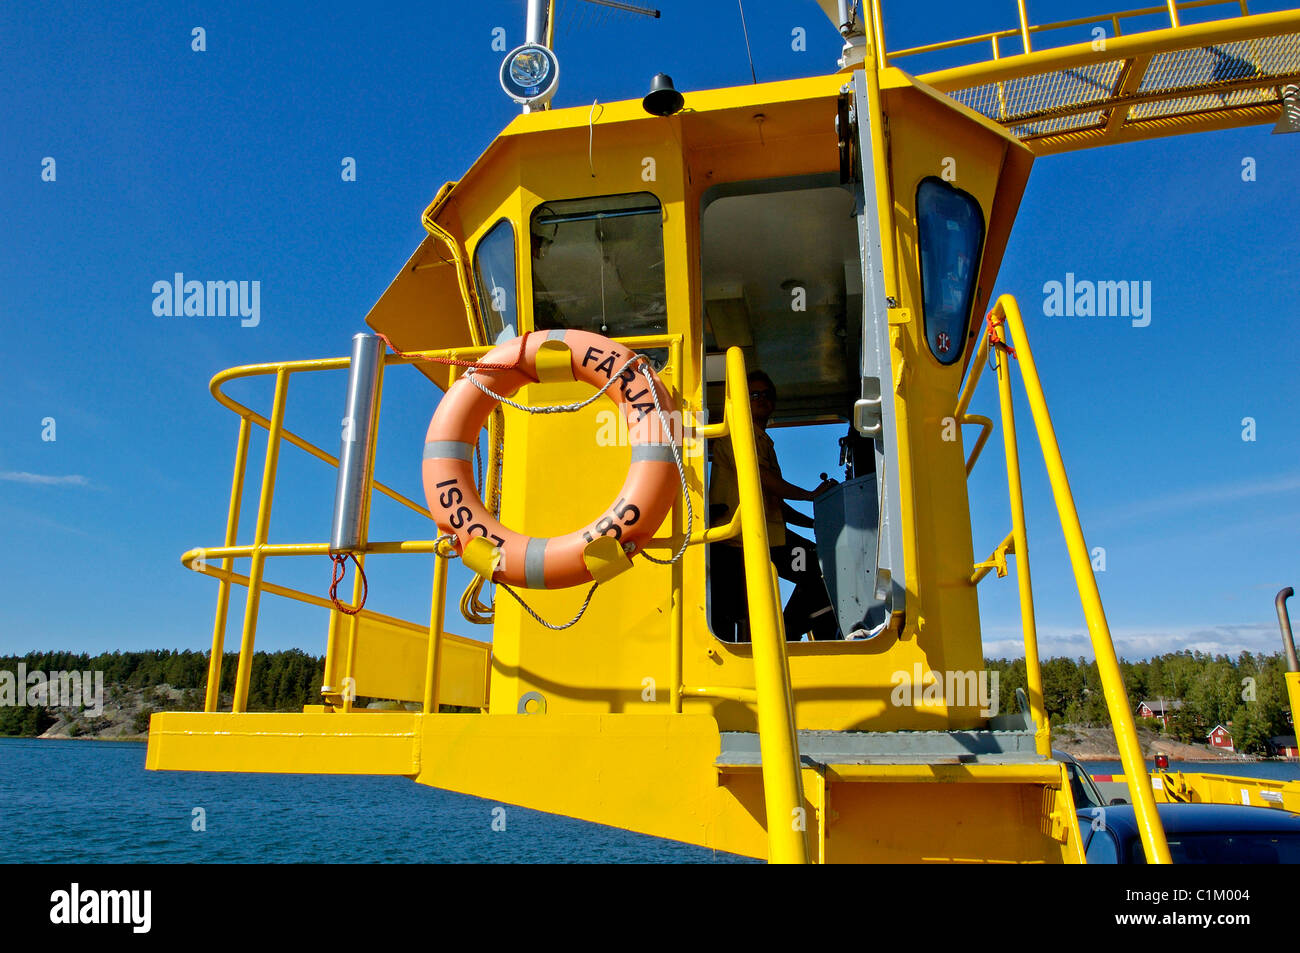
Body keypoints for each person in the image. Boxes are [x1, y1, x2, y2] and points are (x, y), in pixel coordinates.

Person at [707, 370, 839, 642]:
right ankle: (786, 634)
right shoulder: (736, 435)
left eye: (766, 394)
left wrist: (815, 522)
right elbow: (760, 477)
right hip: (740, 538)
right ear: (742, 400)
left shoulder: (761, 440)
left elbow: (773, 500)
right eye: (754, 394)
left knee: (819, 563)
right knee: (819, 565)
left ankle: (793, 633)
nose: (761, 399)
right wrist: (810, 495)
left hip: (767, 535)